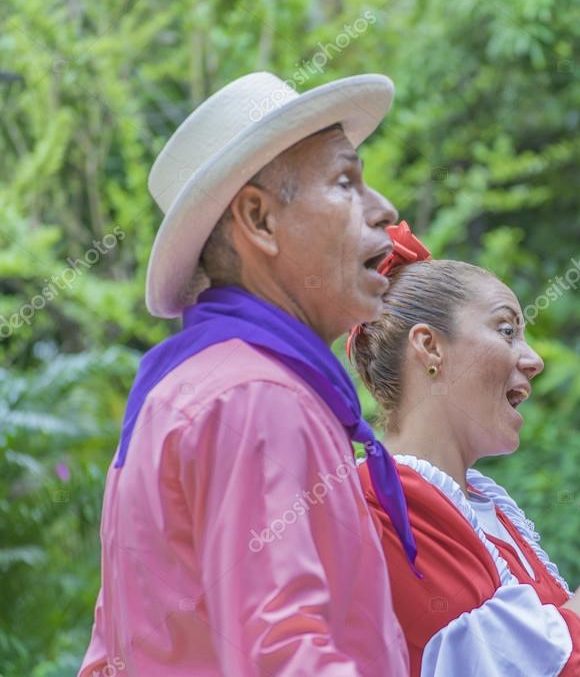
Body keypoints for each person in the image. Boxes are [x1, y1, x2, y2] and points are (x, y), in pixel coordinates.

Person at [79, 71, 416, 676]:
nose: (384, 210)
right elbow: (282, 655)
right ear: (259, 220)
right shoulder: (258, 398)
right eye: (346, 181)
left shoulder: (203, 385)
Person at [348, 242, 580, 676]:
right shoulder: (377, 500)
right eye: (507, 330)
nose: (535, 360)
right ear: (430, 347)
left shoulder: (488, 510)